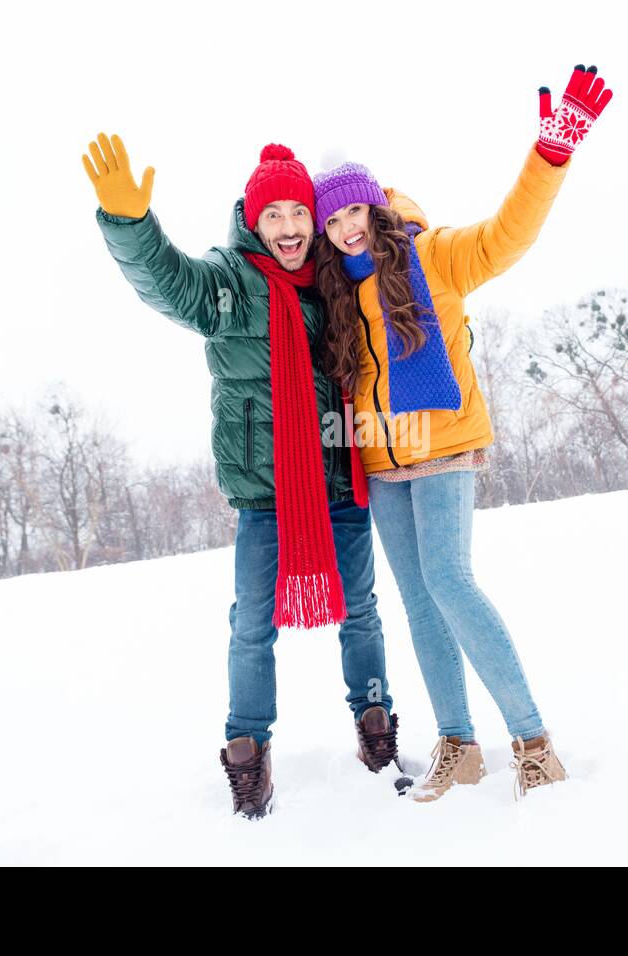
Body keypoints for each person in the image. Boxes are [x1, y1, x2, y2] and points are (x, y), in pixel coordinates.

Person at [309, 65, 614, 801]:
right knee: (418, 603)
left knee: (450, 581)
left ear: (376, 206)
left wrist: (549, 156)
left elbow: (510, 235)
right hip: (382, 464)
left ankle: (534, 740)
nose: (348, 227)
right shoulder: (338, 296)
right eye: (333, 220)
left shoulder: (433, 254)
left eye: (355, 211)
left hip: (444, 449)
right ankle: (459, 745)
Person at [82, 133, 401, 820]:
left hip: (340, 478)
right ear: (253, 221)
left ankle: (375, 724)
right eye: (274, 215)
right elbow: (166, 279)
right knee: (252, 626)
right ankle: (247, 751)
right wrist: (131, 225)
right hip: (266, 490)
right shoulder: (226, 283)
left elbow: (396, 256)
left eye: (298, 213)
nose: (288, 228)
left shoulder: (334, 280)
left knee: (362, 613)